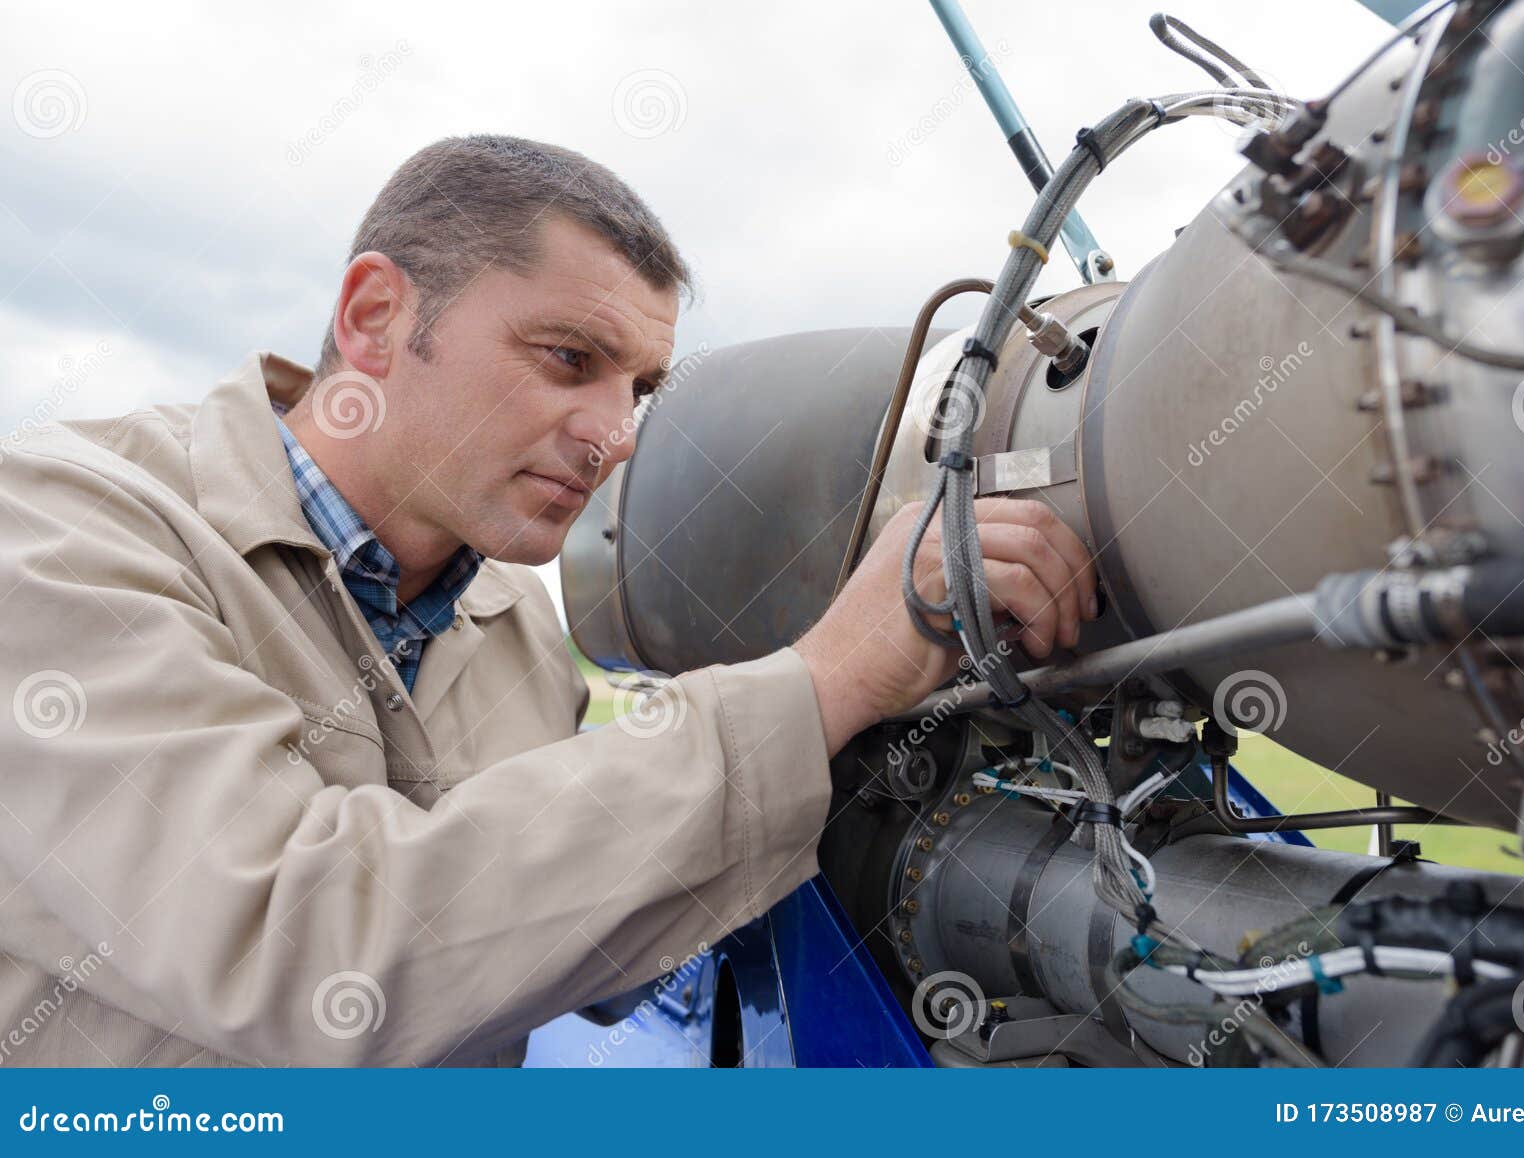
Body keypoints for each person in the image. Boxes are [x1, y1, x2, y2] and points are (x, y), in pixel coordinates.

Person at [0, 135, 1096, 1066]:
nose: (617, 436)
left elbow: (567, 945)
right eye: (569, 359)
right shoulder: (61, 532)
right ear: (377, 316)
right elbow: (303, 952)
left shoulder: (513, 628)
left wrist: (883, 728)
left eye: (642, 389)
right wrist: (823, 680)